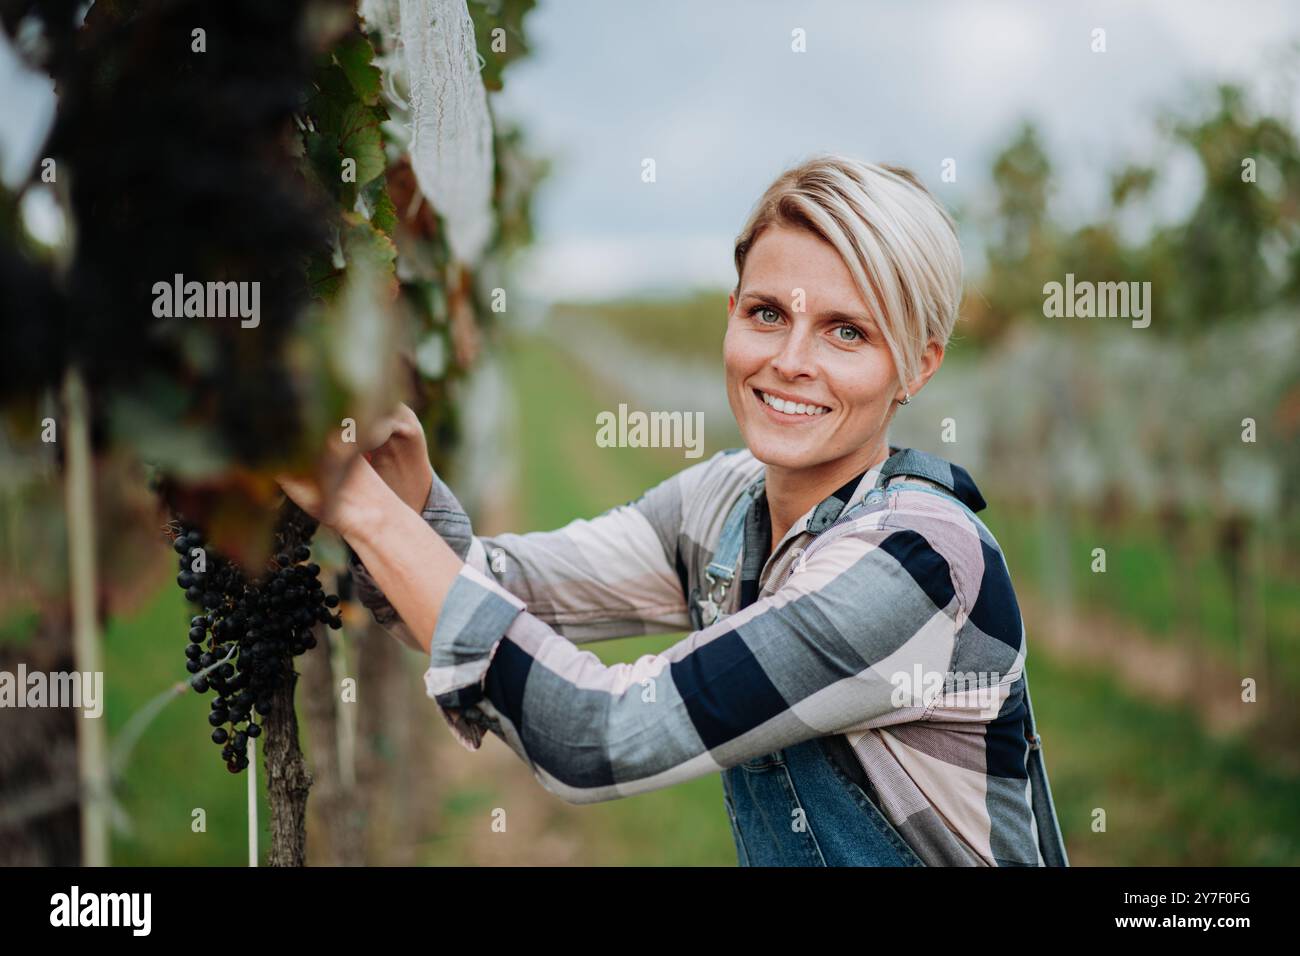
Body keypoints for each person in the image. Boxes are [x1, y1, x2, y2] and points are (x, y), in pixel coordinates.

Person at [278, 153, 1069, 867]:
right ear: (730, 313)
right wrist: (407, 496)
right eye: (767, 314)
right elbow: (484, 592)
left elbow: (596, 735)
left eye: (846, 332)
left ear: (917, 367)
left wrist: (365, 514)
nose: (790, 362)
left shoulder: (918, 563)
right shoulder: (722, 502)